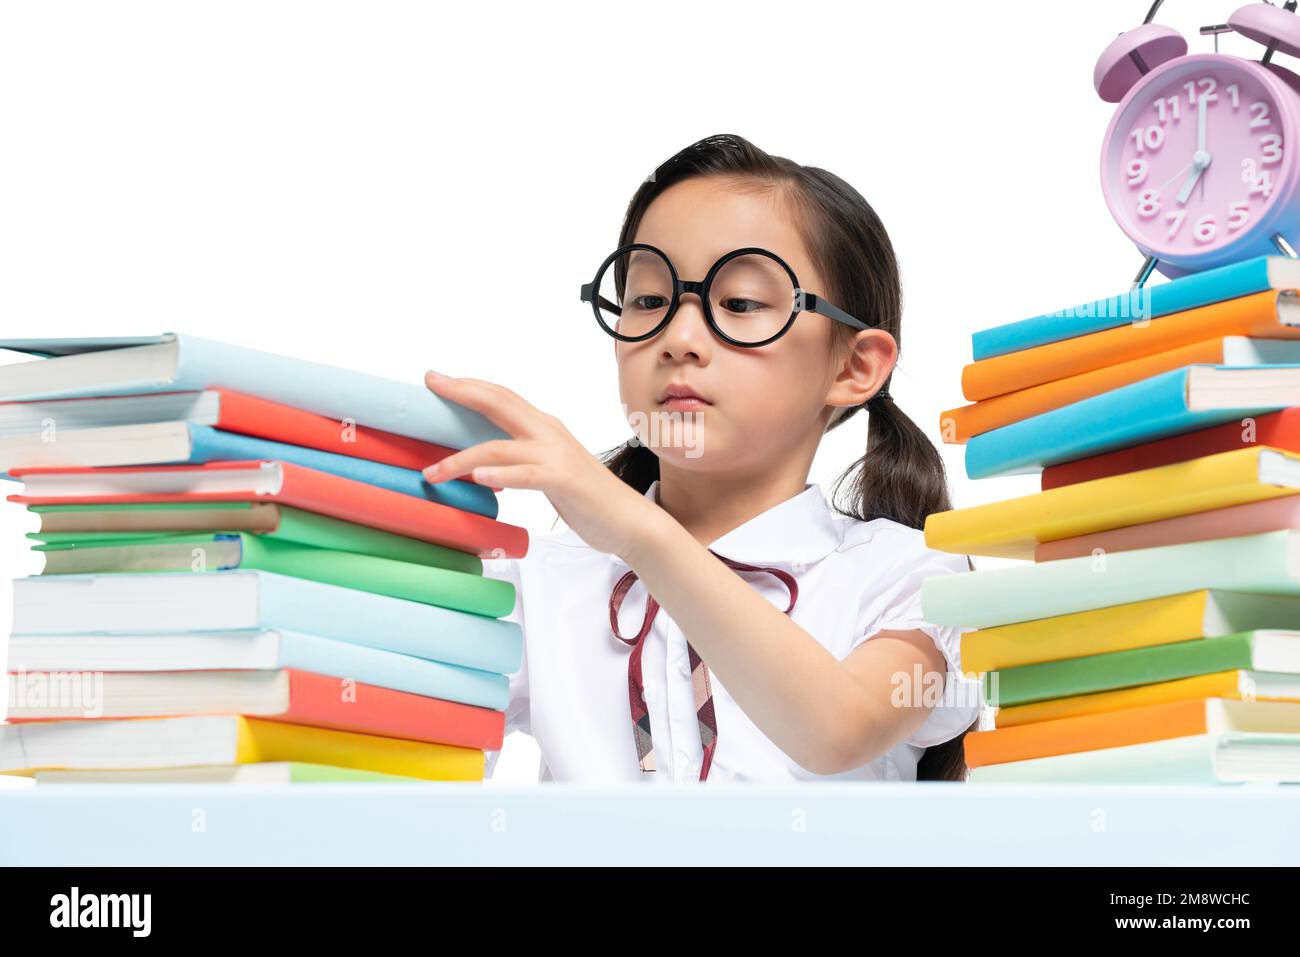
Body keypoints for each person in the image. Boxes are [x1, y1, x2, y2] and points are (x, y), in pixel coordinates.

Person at [423, 132, 983, 783]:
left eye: (740, 303)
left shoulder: (907, 574)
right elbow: (393, 762)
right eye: (649, 300)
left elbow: (840, 729)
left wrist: (637, 532)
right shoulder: (535, 582)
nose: (679, 337)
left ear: (855, 366)